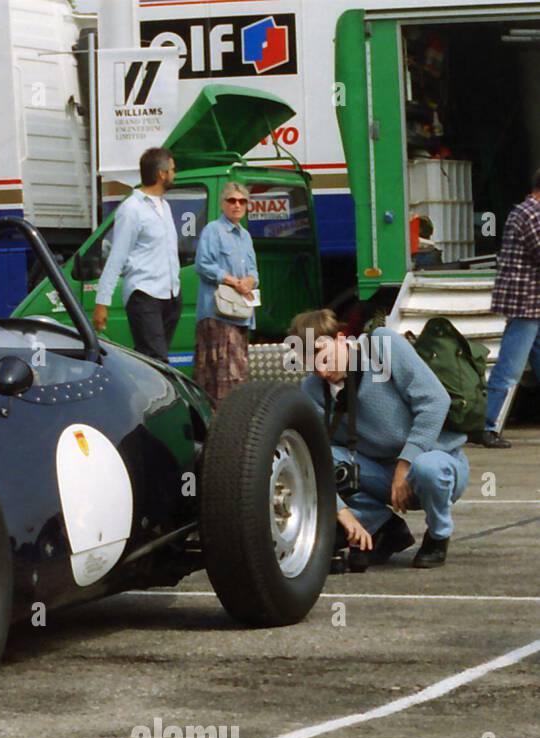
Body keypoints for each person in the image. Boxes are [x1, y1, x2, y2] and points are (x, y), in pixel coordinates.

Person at [293, 308, 469, 571]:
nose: (320, 371)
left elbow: (435, 401)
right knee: (325, 459)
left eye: (324, 357)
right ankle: (385, 529)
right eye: (311, 364)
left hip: (433, 462)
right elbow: (313, 457)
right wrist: (342, 513)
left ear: (341, 339)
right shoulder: (313, 390)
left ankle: (437, 535)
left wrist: (405, 463)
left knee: (429, 468)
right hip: (379, 472)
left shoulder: (381, 346)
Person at [93, 147, 181, 362]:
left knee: (151, 363)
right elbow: (117, 256)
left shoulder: (165, 206)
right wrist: (102, 302)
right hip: (144, 295)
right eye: (172, 169)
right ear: (162, 174)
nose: (174, 174)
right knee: (157, 360)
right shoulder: (131, 209)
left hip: (170, 294)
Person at [479, 167, 540, 449]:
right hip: (526, 303)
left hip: (532, 302)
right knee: (510, 366)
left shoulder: (523, 211)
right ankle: (488, 426)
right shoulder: (531, 214)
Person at [193, 181, 259, 405]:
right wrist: (233, 281)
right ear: (223, 204)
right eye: (232, 200)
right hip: (217, 313)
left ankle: (234, 418)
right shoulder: (213, 230)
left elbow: (253, 271)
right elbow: (202, 265)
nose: (237, 205)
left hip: (240, 314)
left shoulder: (246, 236)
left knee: (237, 373)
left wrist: (249, 281)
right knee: (217, 376)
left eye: (242, 201)